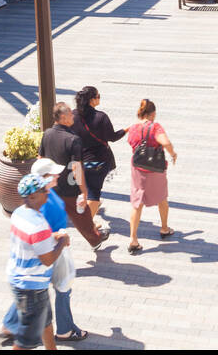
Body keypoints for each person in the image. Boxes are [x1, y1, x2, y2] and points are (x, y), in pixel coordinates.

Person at [0, 160, 85, 346]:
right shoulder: (37, 224)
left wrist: (52, 236)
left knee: (46, 323)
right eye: (43, 191)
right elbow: (47, 260)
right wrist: (61, 242)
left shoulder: (19, 213)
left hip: (25, 280)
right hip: (30, 285)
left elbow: (34, 240)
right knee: (26, 341)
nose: (48, 193)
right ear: (31, 197)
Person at [41, 102, 110, 248]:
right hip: (69, 188)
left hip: (52, 187)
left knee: (52, 220)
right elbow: (76, 167)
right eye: (70, 114)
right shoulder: (73, 139)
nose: (73, 115)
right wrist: (84, 191)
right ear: (64, 117)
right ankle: (95, 240)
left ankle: (50, 243)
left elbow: (40, 159)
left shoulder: (47, 133)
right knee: (82, 217)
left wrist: (43, 183)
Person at [126, 99, 177, 254]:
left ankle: (133, 239)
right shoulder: (155, 126)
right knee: (162, 198)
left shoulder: (133, 127)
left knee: (137, 203)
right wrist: (172, 153)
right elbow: (165, 142)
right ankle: (164, 228)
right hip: (155, 169)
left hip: (138, 168)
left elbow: (130, 142)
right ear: (153, 113)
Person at [72, 86, 126, 229]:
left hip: (77, 162)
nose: (99, 98)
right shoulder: (100, 117)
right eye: (98, 96)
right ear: (92, 100)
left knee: (84, 188)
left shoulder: (72, 115)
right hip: (97, 162)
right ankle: (87, 226)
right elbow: (112, 137)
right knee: (94, 194)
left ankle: (88, 209)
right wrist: (125, 130)